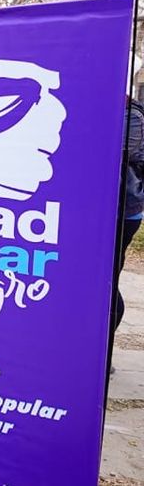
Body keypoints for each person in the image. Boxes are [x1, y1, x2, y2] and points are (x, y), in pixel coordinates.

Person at [113, 97, 144, 372]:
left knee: (106, 284)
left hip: (123, 213)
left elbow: (108, 155)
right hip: (93, 215)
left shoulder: (132, 116)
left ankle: (102, 351)